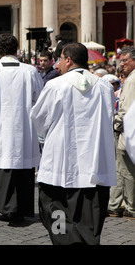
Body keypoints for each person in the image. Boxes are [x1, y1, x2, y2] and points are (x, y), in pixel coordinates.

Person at [31, 43, 117, 245]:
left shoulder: (55, 85)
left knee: (55, 208)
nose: (58, 63)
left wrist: (46, 133)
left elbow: (39, 119)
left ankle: (65, 240)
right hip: (94, 163)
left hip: (61, 163)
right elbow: (109, 117)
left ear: (68, 59)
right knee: (89, 216)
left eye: (60, 59)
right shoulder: (104, 86)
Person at [0, 33, 44, 224]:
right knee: (22, 166)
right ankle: (23, 207)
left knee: (0, 163)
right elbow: (40, 100)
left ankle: (2, 205)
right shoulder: (30, 71)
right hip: (24, 128)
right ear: (16, 49)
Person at [110, 46, 135, 219]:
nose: (121, 64)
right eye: (121, 60)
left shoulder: (132, 80)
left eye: (125, 60)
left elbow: (127, 110)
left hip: (126, 130)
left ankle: (131, 206)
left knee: (126, 171)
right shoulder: (130, 79)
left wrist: (116, 124)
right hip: (125, 129)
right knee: (120, 169)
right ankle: (116, 204)